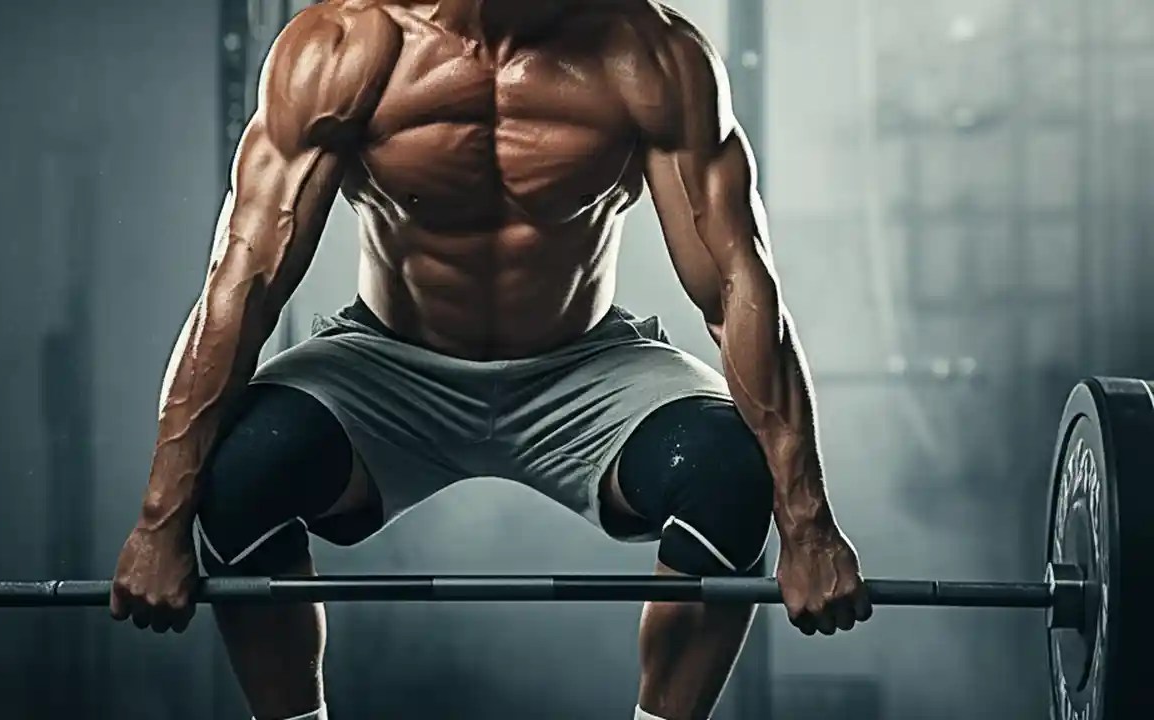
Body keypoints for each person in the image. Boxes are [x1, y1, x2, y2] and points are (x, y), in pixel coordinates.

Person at [110, 1, 872, 719]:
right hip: (388, 365)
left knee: (729, 472)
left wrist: (807, 525)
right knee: (243, 468)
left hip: (583, 367)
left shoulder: (648, 52)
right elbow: (243, 286)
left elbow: (737, 282)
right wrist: (158, 521)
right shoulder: (343, 50)